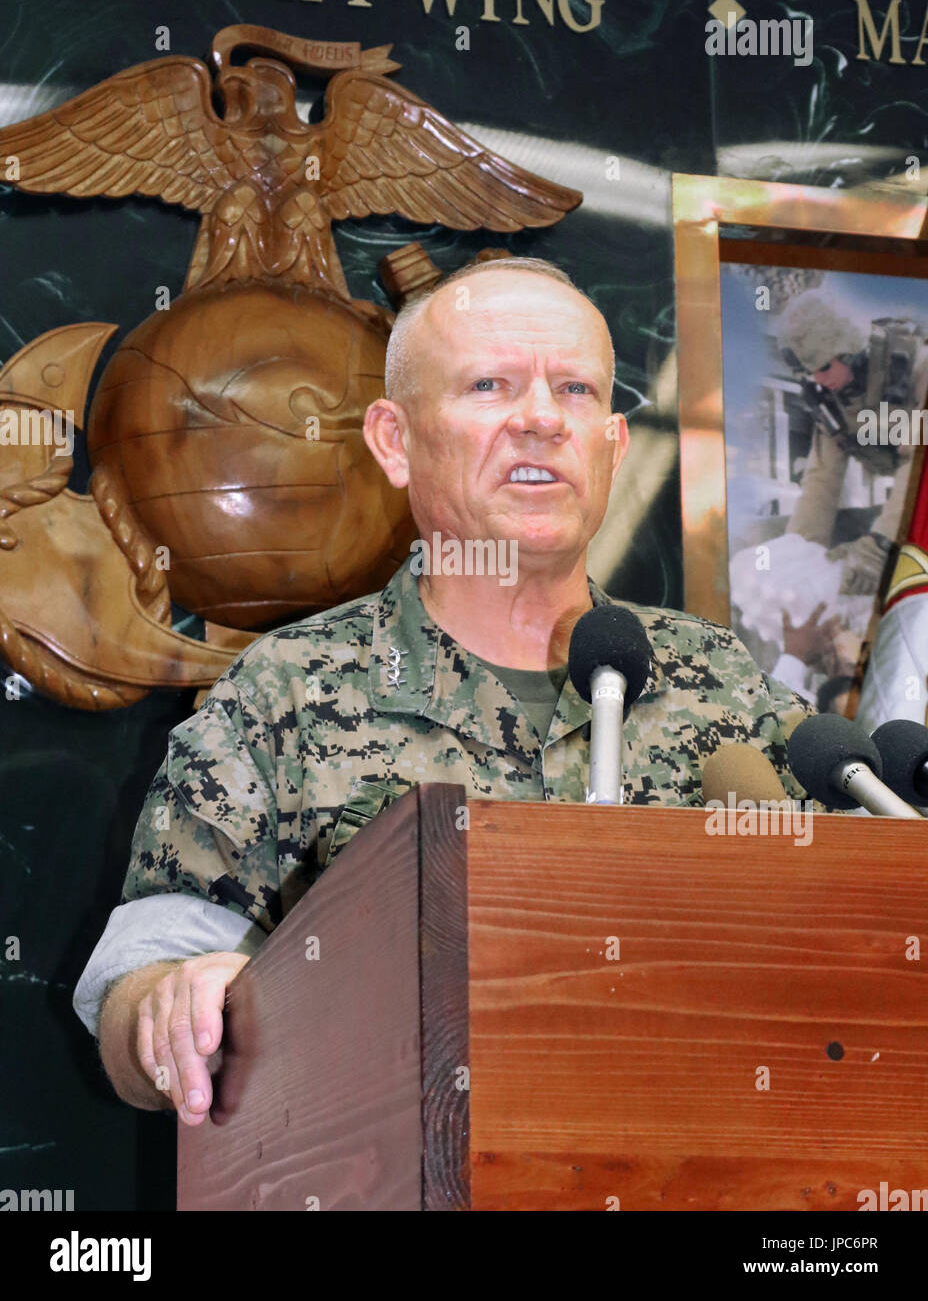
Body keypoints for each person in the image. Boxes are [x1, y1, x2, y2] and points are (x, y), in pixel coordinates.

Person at [74, 257, 814, 1126]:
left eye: (575, 391)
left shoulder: (718, 681)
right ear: (394, 440)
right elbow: (140, 992)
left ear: (613, 447)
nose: (540, 420)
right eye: (490, 385)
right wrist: (172, 1003)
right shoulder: (289, 694)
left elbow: (851, 922)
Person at [777, 291, 928, 596]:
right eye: (810, 373)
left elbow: (918, 467)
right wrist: (797, 553)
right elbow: (821, 481)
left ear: (847, 350)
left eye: (823, 367)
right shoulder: (833, 402)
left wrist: (879, 547)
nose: (818, 380)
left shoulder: (918, 370)